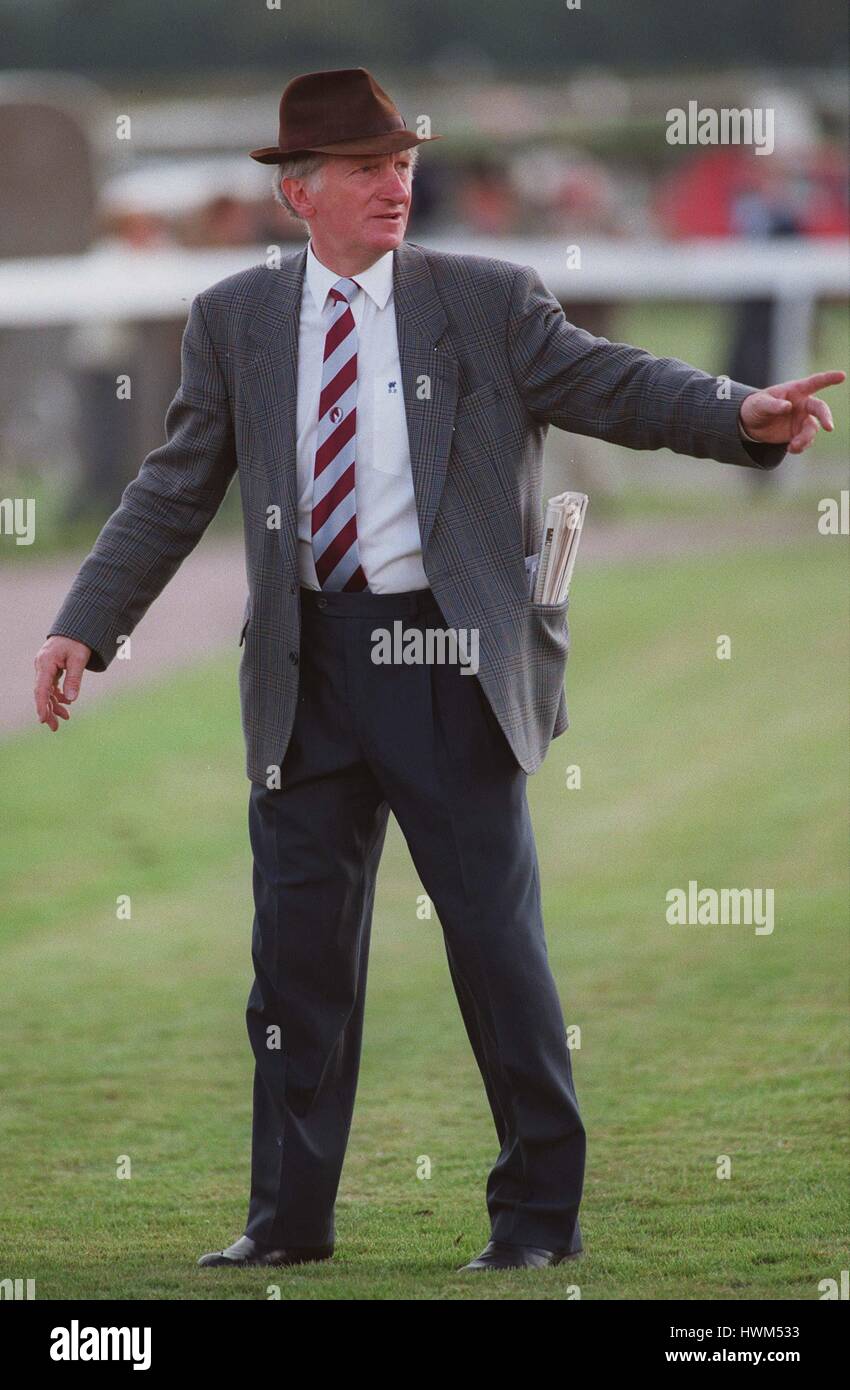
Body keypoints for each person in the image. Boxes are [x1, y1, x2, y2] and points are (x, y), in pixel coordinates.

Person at [34, 67, 844, 1274]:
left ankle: (533, 1223)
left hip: (448, 664)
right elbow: (173, 485)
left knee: (495, 950)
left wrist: (738, 413)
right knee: (294, 967)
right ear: (298, 193)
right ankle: (284, 1222)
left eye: (403, 163)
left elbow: (612, 380)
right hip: (303, 671)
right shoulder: (235, 317)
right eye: (367, 168)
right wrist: (82, 624)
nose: (395, 183)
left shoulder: (486, 299)